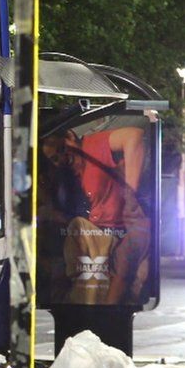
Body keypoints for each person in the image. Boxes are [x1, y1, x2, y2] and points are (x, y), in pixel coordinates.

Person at [42, 126, 149, 305]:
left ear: (70, 136)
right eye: (55, 158)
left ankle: (105, 310)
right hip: (94, 238)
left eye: (62, 148)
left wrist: (130, 194)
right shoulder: (67, 177)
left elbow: (134, 135)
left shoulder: (92, 146)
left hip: (117, 232)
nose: (62, 158)